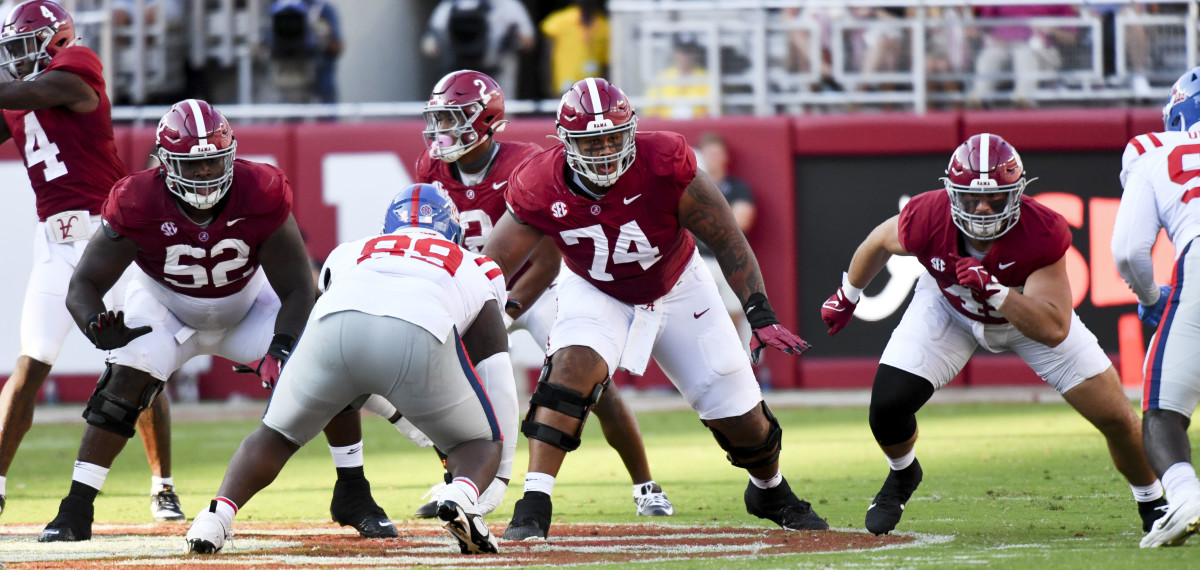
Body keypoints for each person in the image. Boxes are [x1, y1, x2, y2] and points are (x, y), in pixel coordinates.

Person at [482, 77, 828, 540]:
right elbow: (494, 262)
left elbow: (726, 236)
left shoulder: (664, 160)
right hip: (595, 286)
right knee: (569, 371)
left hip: (678, 281)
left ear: (631, 131)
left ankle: (769, 489)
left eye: (613, 137)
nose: (605, 150)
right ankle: (535, 501)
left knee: (743, 417)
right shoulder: (539, 182)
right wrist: (459, 314)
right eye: (592, 140)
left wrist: (759, 313)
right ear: (566, 143)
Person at [37, 99, 392, 542]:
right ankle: (75, 509)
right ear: (166, 163)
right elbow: (82, 286)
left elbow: (300, 288)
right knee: (121, 384)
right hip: (165, 307)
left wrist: (282, 348)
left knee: (324, 360)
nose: (206, 175)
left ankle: (354, 493)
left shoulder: (259, 187)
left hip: (246, 306)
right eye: (194, 165)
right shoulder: (136, 199)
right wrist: (94, 324)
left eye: (214, 163)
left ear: (231, 155)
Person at [820, 132, 1165, 536]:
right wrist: (849, 294)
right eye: (971, 198)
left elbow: (1054, 328)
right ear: (951, 194)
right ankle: (902, 473)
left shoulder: (1042, 230)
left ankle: (1153, 502)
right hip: (950, 308)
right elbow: (878, 241)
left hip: (1025, 318)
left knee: (1117, 418)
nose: (983, 207)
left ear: (1017, 193)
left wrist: (999, 293)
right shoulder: (928, 215)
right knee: (887, 405)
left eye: (996, 197)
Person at [380, 69, 672, 520]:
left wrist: (507, 305)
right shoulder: (431, 167)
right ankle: (460, 483)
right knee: (447, 383)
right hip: (478, 286)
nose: (442, 131)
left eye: (454, 118)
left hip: (541, 285)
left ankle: (645, 484)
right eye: (439, 119)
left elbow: (550, 256)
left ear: (488, 120)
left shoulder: (526, 163)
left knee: (594, 387)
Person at [186, 183, 509, 555]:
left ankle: (215, 518)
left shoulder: (352, 249)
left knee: (275, 434)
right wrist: (495, 469)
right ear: (454, 230)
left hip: (331, 326)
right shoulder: (475, 263)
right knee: (480, 443)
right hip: (417, 330)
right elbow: (491, 362)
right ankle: (461, 496)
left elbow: (339, 324)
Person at [0, 0, 182, 523]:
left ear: (57, 39)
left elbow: (38, 92)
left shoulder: (76, 65)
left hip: (110, 240)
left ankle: (162, 485)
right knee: (31, 363)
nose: (14, 58)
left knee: (141, 360)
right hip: (54, 248)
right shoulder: (16, 96)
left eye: (21, 46)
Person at [1113, 67, 1200, 548]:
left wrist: (1150, 298)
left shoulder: (1152, 151)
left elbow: (1128, 250)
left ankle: (1185, 495)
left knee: (1163, 410)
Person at [695, 132, 756, 354]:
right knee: (696, 313)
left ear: (725, 156)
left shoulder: (738, 187)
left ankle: (742, 363)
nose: (712, 158)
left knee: (736, 312)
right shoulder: (690, 188)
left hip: (729, 259)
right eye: (707, 153)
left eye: (716, 152)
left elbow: (741, 222)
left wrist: (700, 219)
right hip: (698, 261)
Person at [421, 0, 534, 96]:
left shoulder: (506, 5)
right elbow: (430, 44)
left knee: (497, 113)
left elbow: (527, 40)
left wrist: (508, 43)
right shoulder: (450, 5)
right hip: (458, 74)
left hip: (497, 73)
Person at [265, 0, 343, 103]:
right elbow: (265, 43)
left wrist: (322, 39)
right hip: (285, 73)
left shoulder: (322, 9)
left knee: (325, 97)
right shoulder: (277, 8)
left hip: (319, 75)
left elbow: (336, 46)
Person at [540, 1, 608, 97]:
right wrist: (548, 85)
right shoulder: (561, 20)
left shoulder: (603, 25)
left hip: (593, 89)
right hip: (564, 86)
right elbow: (546, 56)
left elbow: (605, 63)